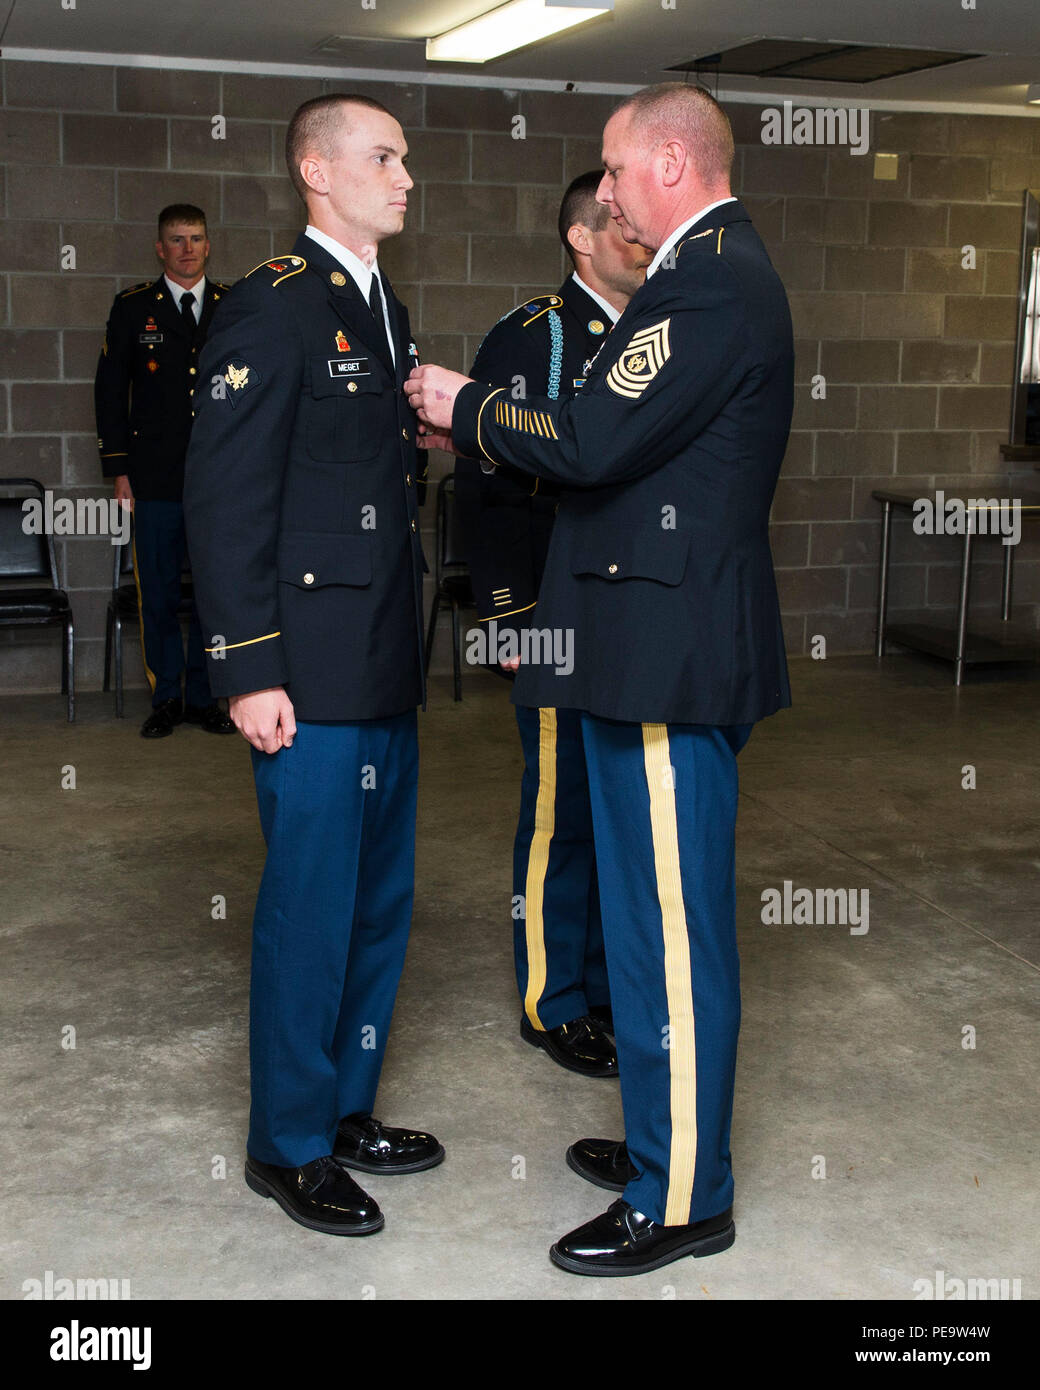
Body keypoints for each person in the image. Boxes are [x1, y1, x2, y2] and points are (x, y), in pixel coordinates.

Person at [407, 82, 793, 1276]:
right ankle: (657, 1146)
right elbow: (605, 436)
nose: (608, 194)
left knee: (672, 938)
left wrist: (460, 404)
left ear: (669, 165)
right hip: (641, 655)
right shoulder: (698, 278)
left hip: (669, 662)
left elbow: (587, 440)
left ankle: (684, 1198)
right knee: (639, 923)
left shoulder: (709, 282)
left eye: (618, 170)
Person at [184, 94, 440, 1238]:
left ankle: (345, 1107)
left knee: (379, 905)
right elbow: (227, 496)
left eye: (403, 158)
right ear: (315, 171)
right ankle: (286, 1142)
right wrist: (246, 668)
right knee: (309, 909)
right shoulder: (271, 306)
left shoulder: (381, 308)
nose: (404, 177)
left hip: (382, 659)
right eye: (382, 157)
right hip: (307, 672)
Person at [455, 172, 651, 1078]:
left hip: (631, 623)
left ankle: (611, 987)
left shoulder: (655, 336)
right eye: (620, 225)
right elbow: (485, 478)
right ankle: (554, 1000)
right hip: (550, 620)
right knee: (560, 817)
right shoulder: (536, 337)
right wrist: (508, 619)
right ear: (580, 236)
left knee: (622, 817)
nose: (640, 236)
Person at [95, 204, 234, 738]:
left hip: (219, 481)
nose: (187, 248)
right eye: (176, 240)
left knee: (211, 593)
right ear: (160, 248)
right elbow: (110, 392)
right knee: (156, 590)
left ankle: (205, 697)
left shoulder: (231, 305)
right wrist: (118, 469)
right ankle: (167, 697)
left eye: (196, 238)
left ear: (208, 243)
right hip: (153, 478)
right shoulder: (133, 308)